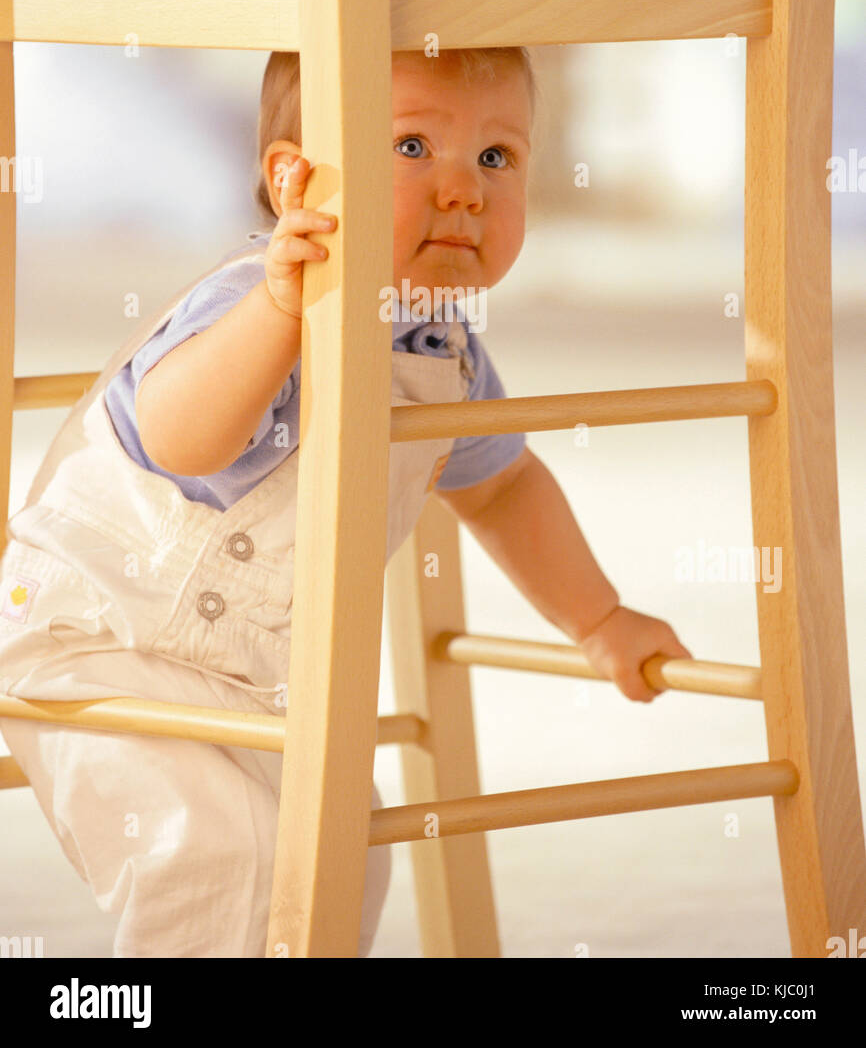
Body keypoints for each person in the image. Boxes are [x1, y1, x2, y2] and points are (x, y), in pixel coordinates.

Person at [0, 46, 692, 958]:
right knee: (216, 858)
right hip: (101, 644)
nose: (464, 192)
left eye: (497, 158)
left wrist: (597, 617)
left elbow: (506, 489)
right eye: (412, 147)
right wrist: (282, 317)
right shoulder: (254, 297)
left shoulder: (449, 355)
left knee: (338, 859)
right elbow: (178, 438)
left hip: (269, 686)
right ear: (296, 183)